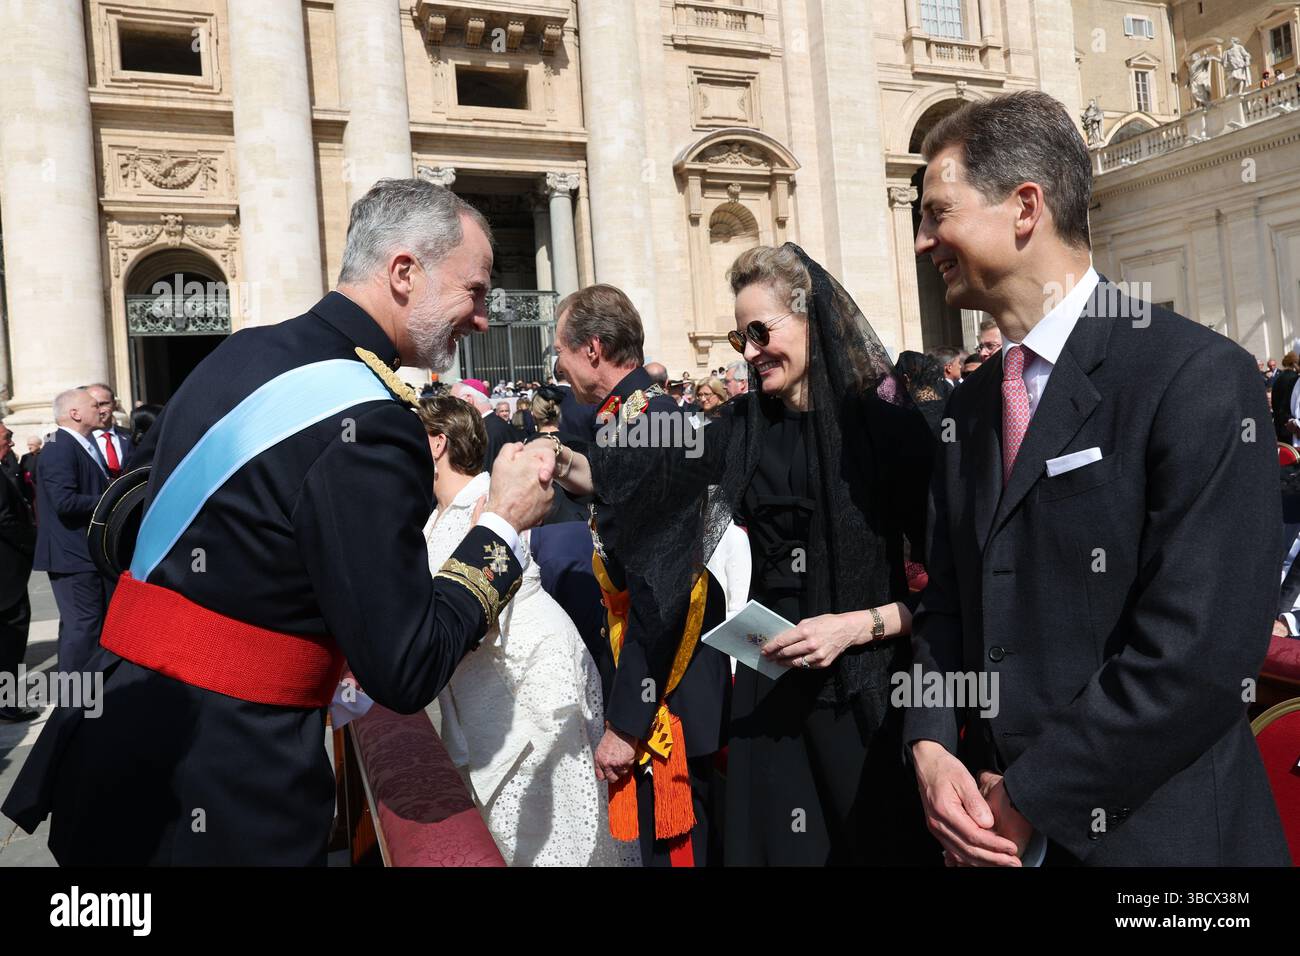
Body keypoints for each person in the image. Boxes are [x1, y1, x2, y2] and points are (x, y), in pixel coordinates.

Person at [3, 178, 556, 865]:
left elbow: (133, 522)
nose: (481, 318)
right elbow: (407, 667)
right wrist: (501, 524)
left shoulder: (241, 353)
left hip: (117, 737)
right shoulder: (375, 424)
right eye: (473, 291)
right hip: (227, 781)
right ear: (405, 273)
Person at [908, 90, 1289, 866]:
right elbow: (947, 606)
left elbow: (1199, 655)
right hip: (986, 836)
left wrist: (1031, 797)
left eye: (937, 212)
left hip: (1161, 847)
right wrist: (930, 742)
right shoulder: (973, 406)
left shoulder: (1195, 377)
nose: (922, 240)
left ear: (1024, 207)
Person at [556, 244, 938, 865]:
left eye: (762, 332)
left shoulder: (889, 432)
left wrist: (856, 627)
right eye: (741, 338)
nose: (751, 351)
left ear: (810, 319)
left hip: (866, 693)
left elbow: (948, 591)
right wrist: (561, 461)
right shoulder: (739, 425)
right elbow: (643, 465)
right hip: (769, 693)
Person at [549, 283, 730, 866]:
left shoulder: (648, 426)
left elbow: (658, 592)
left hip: (663, 678)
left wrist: (625, 726)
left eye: (562, 350)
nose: (558, 365)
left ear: (593, 349)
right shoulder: (638, 415)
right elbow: (612, 483)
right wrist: (559, 462)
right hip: (651, 663)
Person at [417, 395, 634, 866]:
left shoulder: (485, 501)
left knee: (557, 835)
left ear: (436, 444)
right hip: (493, 689)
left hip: (531, 688)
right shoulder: (440, 515)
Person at [31, 388, 111, 675]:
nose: (102, 409)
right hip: (72, 556)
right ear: (75, 413)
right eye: (94, 405)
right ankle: (78, 705)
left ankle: (78, 700)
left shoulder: (79, 443)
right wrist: (111, 499)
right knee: (84, 630)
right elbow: (64, 502)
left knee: (82, 626)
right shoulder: (60, 446)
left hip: (84, 554)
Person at [0, 422, 38, 721]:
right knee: (10, 638)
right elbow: (5, 520)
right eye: (6, 438)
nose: (11, 444)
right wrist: (33, 543)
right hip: (6, 572)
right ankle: (6, 702)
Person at [451, 380, 524, 472]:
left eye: (453, 402)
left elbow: (486, 475)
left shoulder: (490, 430)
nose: (452, 409)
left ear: (468, 400)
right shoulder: (492, 425)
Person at [85, 383, 132, 479]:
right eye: (94, 405)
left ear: (114, 405)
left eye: (103, 404)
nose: (100, 411)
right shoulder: (80, 440)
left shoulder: (130, 436)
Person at [1274, 352, 1300, 442]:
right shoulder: (1293, 380)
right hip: (1290, 435)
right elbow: (1283, 408)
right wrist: (1292, 422)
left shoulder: (1280, 377)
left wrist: (1297, 423)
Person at [18, 435, 41, 507]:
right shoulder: (25, 457)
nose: (29, 447)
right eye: (28, 445)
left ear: (39, 445)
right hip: (27, 488)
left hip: (38, 488)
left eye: (32, 445)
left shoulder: (43, 455)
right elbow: (21, 471)